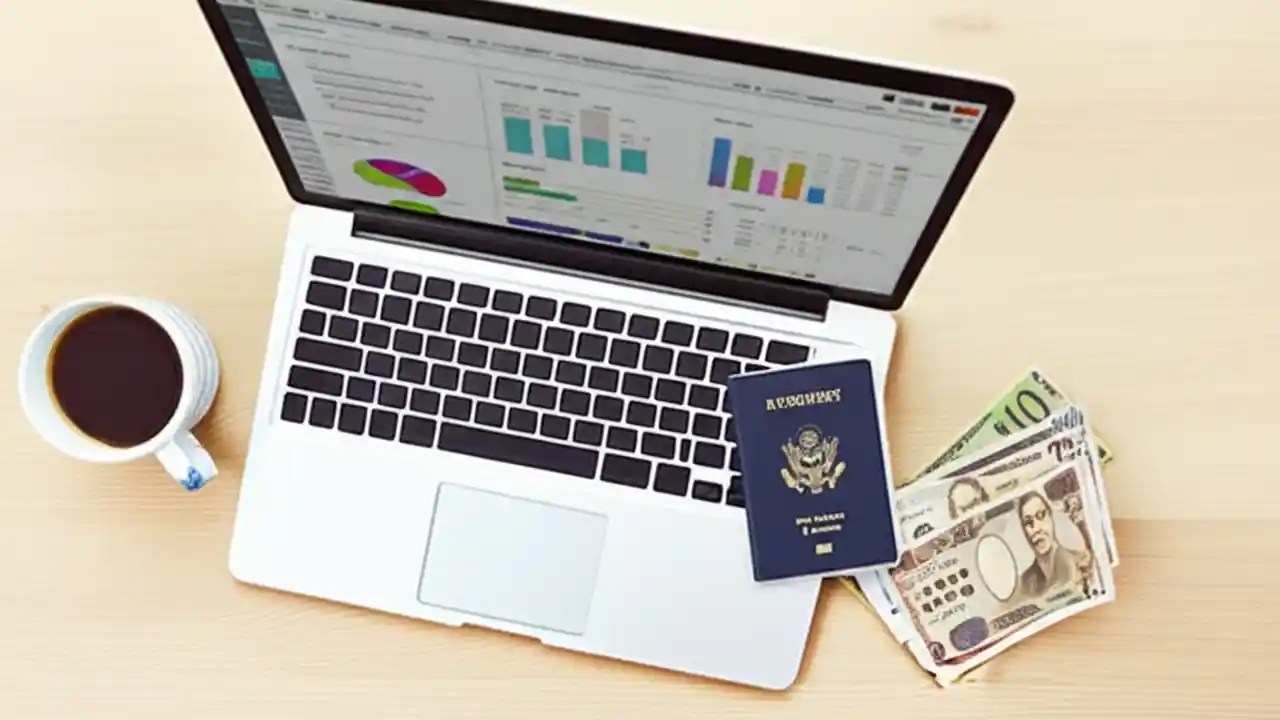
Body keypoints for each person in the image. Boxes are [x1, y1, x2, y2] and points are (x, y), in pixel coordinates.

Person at [1016, 491, 1091, 597]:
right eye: (1028, 522)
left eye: (1041, 516)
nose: (1036, 528)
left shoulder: (1080, 561)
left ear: (1051, 519)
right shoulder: (1026, 581)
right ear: (1024, 530)